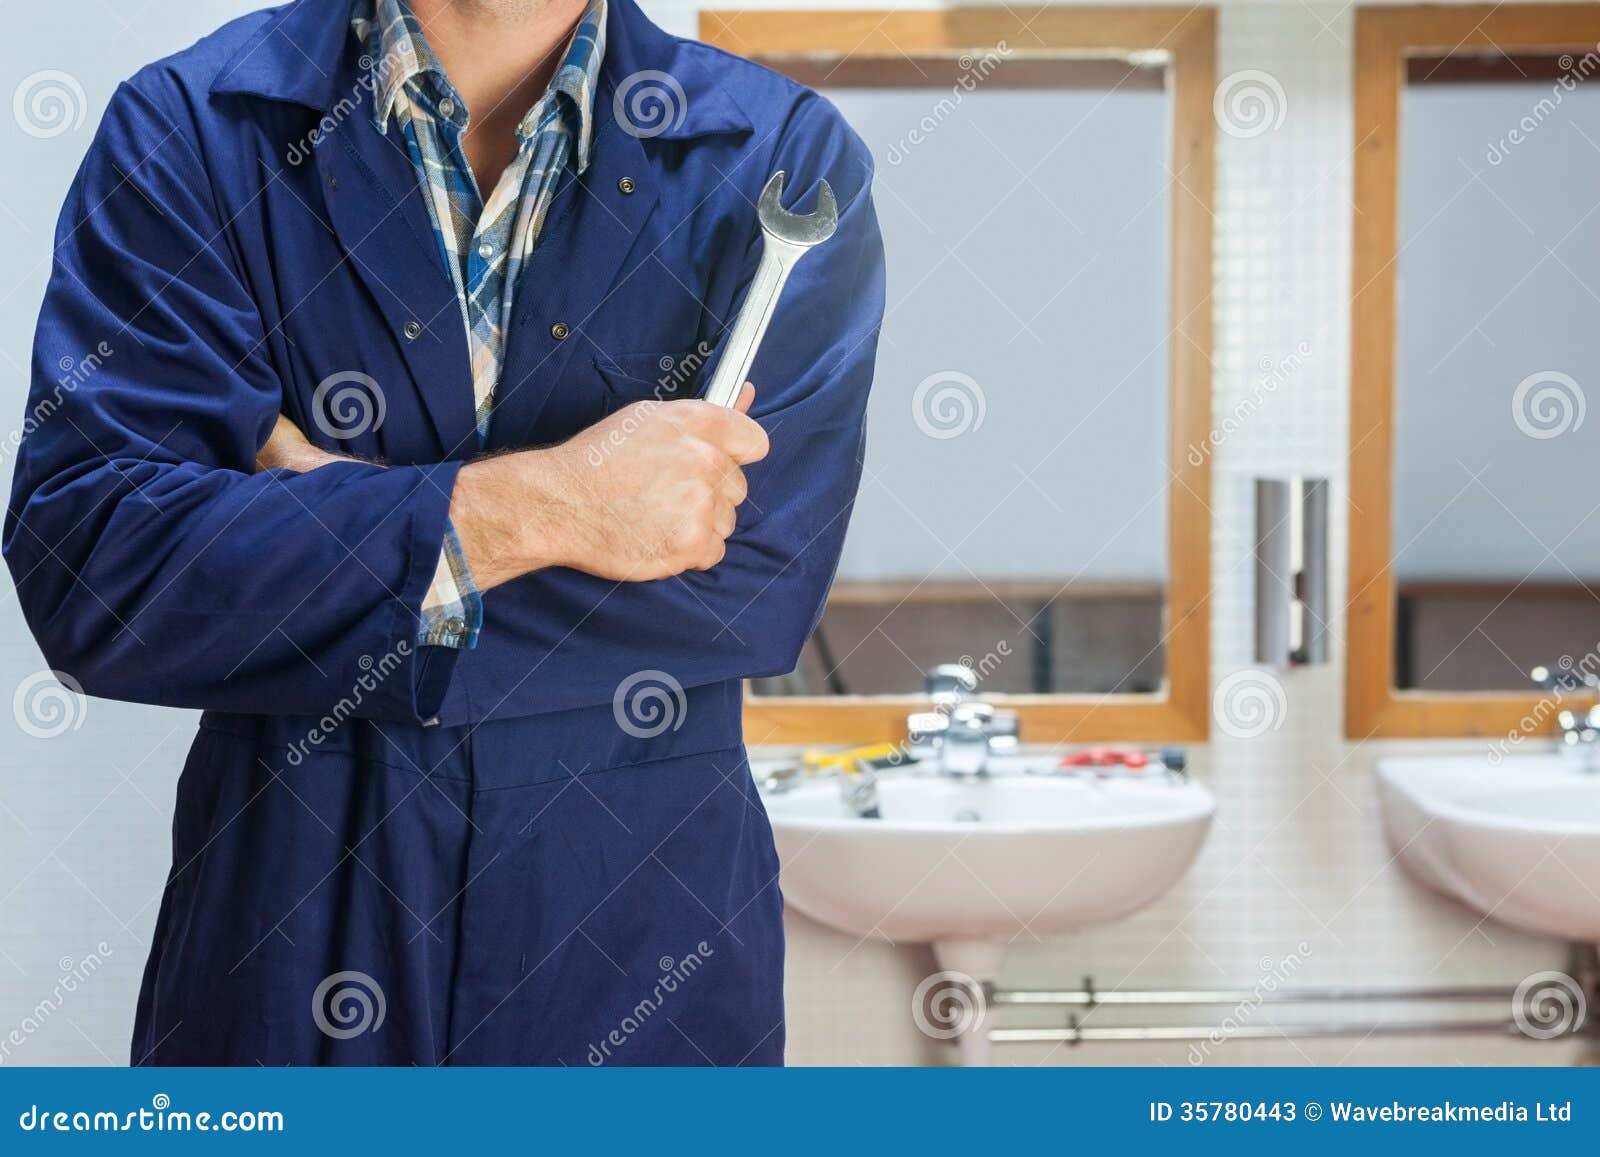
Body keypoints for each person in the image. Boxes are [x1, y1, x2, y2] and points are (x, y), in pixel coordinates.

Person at [5, 0, 883, 1065]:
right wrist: (544, 505)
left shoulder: (777, 158)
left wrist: (320, 512)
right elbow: (100, 570)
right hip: (288, 939)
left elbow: (746, 585)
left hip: (640, 957)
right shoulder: (193, 129)